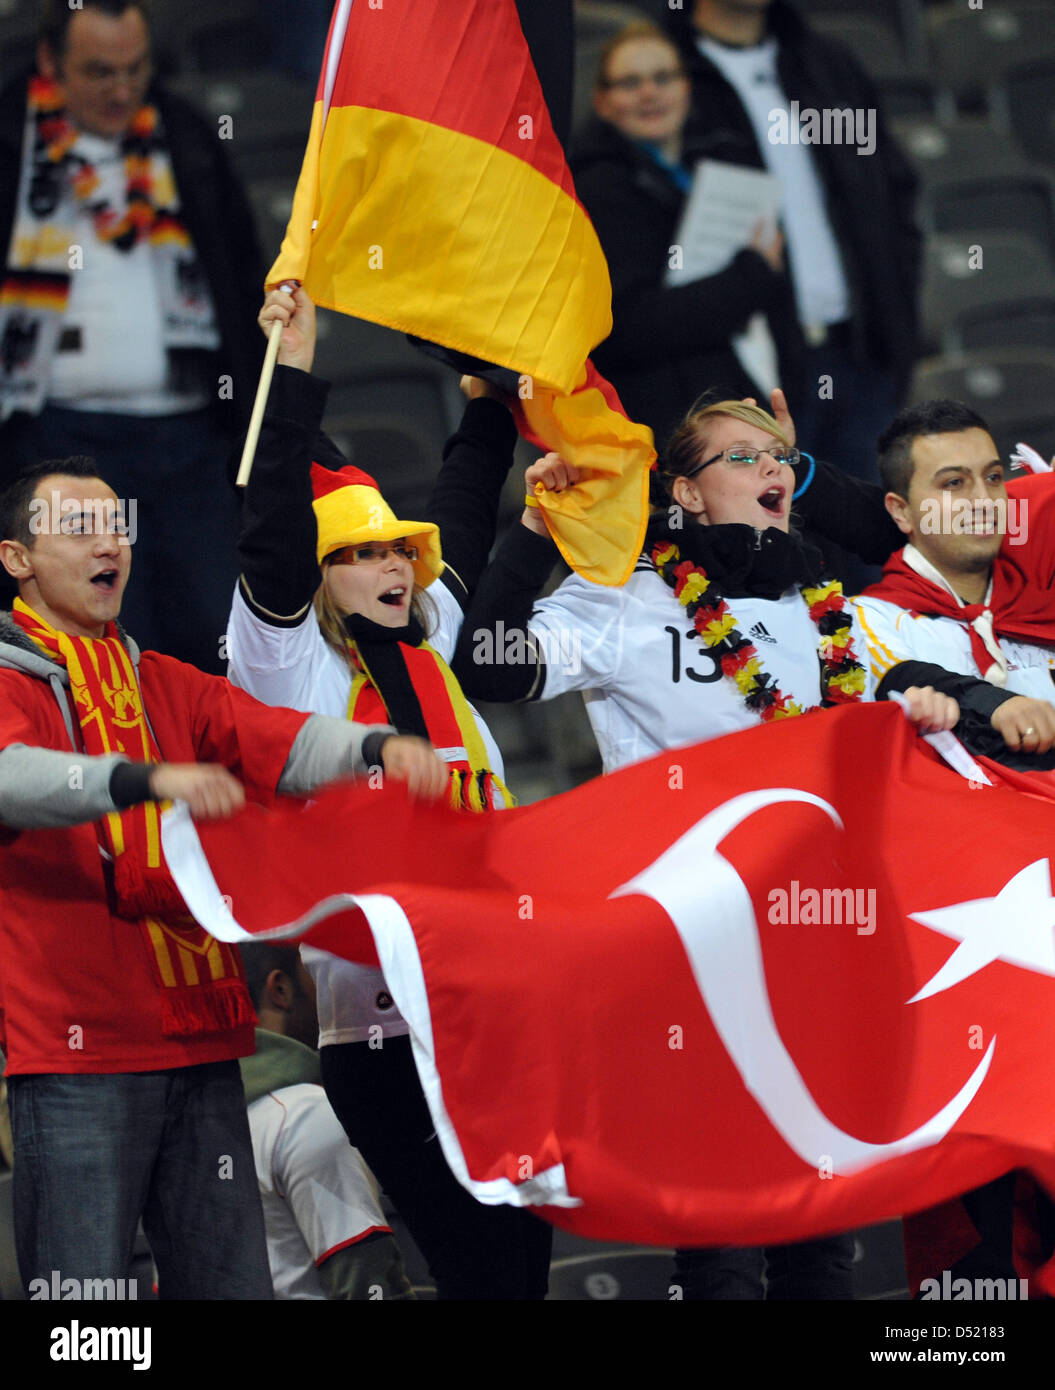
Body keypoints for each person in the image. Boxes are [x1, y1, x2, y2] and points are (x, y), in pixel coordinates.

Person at [451, 389, 958, 1298]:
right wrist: (531, 528)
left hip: (817, 947)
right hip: (688, 955)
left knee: (823, 1230)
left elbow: (925, 557)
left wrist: (795, 464)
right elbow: (485, 661)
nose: (771, 471)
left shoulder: (832, 610)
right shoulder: (629, 600)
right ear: (681, 494)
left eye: (779, 461)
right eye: (741, 458)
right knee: (721, 1233)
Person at [0, 454, 446, 1299]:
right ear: (16, 559)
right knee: (83, 1305)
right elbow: (10, 776)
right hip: (77, 1053)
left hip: (206, 1046)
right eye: (80, 528)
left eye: (118, 528)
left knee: (230, 1289)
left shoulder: (167, 681)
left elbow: (279, 738)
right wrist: (141, 778)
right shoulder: (8, 680)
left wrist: (376, 748)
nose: (112, 546)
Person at [225, 284, 554, 1301]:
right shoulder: (286, 667)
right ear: (319, 580)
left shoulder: (425, 641)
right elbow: (273, 531)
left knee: (518, 1267)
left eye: (393, 550)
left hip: (495, 1015)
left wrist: (491, 404)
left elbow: (456, 508)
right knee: (473, 1261)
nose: (392, 566)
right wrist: (293, 372)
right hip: (381, 1034)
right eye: (360, 554)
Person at [0, 0, 265, 670]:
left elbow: (242, 278)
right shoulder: (8, 138)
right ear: (49, 62)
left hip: (193, 444)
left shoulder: (186, 134)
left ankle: (217, 778)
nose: (122, 89)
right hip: (55, 445)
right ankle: (121, 779)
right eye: (99, 72)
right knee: (91, 645)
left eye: (134, 69)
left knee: (218, 638)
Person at [663, 0, 921, 481]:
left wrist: (895, 330)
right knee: (767, 549)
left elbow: (895, 193)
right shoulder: (661, 77)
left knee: (866, 542)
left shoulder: (828, 64)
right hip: (742, 378)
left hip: (860, 359)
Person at [571, 20, 792, 450]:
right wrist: (752, 275)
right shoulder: (599, 190)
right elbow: (628, 326)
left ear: (687, 88)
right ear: (602, 102)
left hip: (720, 403)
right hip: (666, 426)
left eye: (663, 77)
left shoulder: (709, 165)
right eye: (630, 83)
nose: (649, 93)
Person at [853, 401, 1055, 766]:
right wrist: (994, 705)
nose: (983, 501)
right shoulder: (869, 622)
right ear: (901, 510)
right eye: (954, 483)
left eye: (994, 478)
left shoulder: (1044, 596)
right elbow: (897, 682)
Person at [238, 942, 415, 1301]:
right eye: (315, 974)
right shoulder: (306, 1114)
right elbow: (368, 1282)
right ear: (281, 989)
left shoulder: (193, 1126)